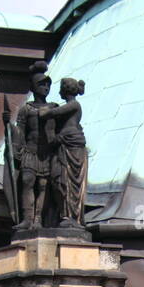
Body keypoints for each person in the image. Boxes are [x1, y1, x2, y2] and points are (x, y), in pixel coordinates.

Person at [12, 60, 57, 230]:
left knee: (44, 185)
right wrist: (16, 147)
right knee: (27, 181)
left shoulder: (54, 108)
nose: (45, 87)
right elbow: (20, 131)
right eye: (41, 84)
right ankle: (27, 218)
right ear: (33, 87)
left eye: (47, 84)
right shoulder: (26, 109)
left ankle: (38, 219)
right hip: (30, 152)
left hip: (46, 153)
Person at [47, 78, 88, 228]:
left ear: (66, 90)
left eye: (60, 89)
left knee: (71, 180)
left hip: (73, 146)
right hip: (64, 145)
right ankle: (63, 213)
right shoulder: (70, 105)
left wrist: (42, 109)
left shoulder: (74, 105)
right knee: (59, 179)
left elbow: (53, 113)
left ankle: (72, 216)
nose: (58, 92)